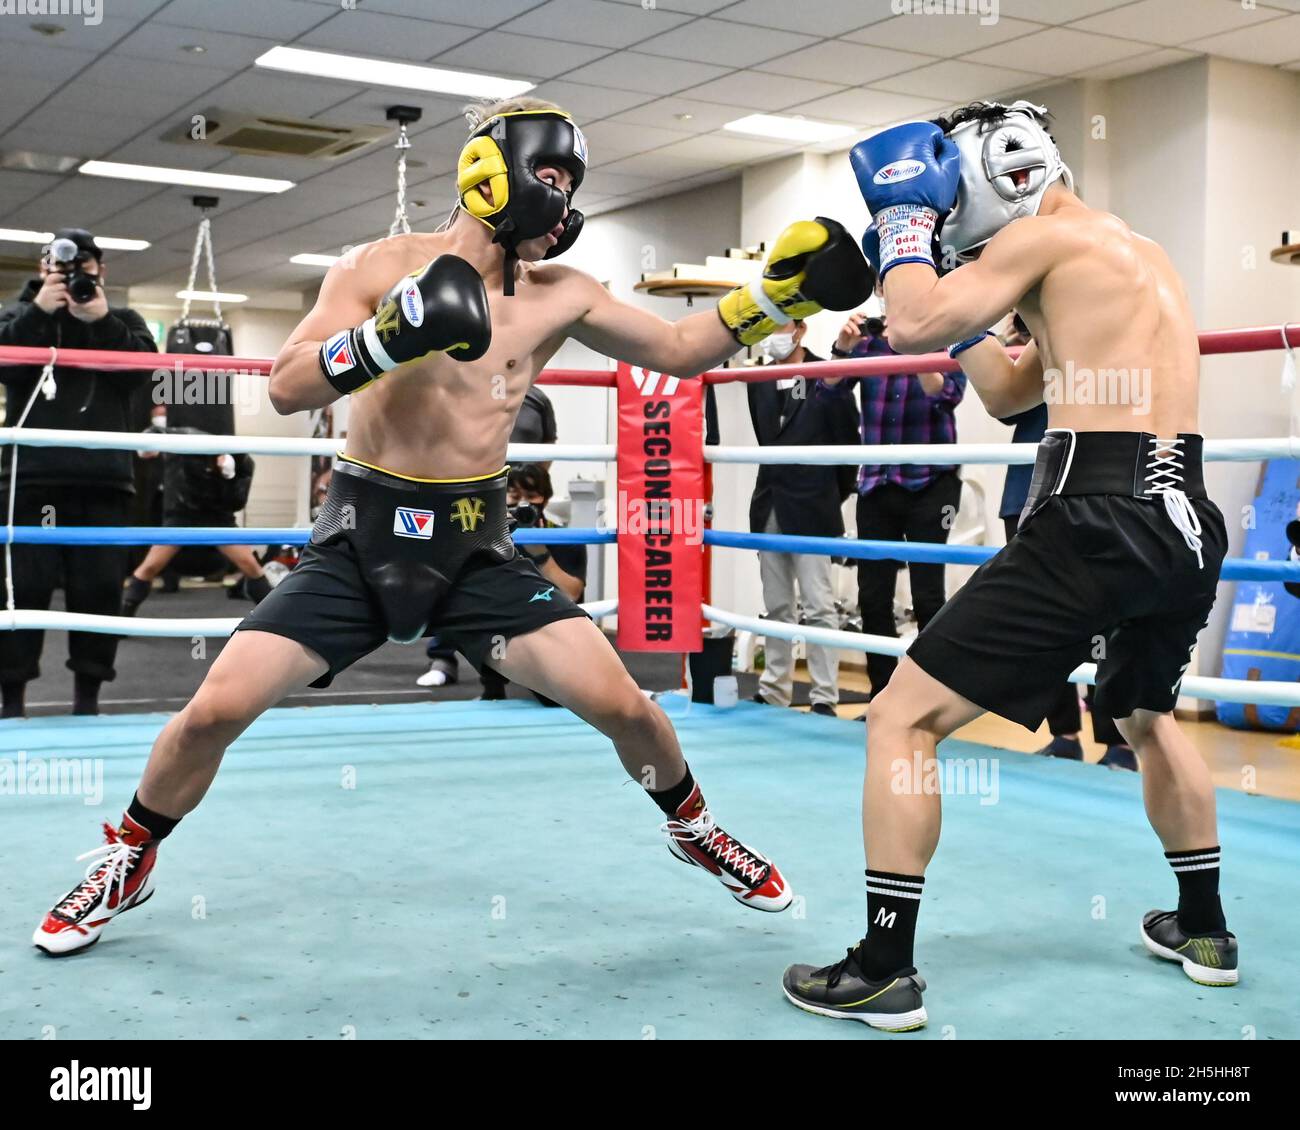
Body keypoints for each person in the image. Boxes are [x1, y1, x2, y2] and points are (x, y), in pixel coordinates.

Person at [34, 97, 872, 955]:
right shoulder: (375, 267)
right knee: (213, 712)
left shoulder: (562, 294)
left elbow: (682, 348)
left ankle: (693, 827)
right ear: (492, 175)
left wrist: (776, 295)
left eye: (572, 186)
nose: (565, 205)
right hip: (356, 547)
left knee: (628, 707)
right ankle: (129, 860)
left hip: (474, 547)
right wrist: (382, 339)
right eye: (550, 177)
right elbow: (286, 386)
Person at [784, 100, 1233, 1031]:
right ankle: (1205, 931)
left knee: (902, 720)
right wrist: (957, 303)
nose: (949, 217)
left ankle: (883, 967)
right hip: (1185, 519)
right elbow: (1007, 387)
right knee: (1144, 715)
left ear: (1005, 171)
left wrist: (903, 230)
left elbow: (906, 324)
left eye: (954, 195)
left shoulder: (1045, 245)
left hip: (1096, 515)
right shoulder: (1128, 253)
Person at [0, 229, 157, 717]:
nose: (73, 279)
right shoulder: (17, 316)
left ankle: (87, 702)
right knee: (22, 592)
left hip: (103, 481)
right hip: (31, 482)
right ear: (42, 270)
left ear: (100, 271)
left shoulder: (124, 320)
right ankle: (12, 702)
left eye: (83, 270)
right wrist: (39, 312)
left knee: (98, 594)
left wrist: (102, 320)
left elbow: (145, 374)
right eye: (60, 269)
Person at [824, 306, 965, 699]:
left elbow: (947, 395)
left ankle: (930, 699)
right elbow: (828, 391)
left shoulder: (947, 332)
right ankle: (882, 696)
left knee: (928, 596)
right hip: (876, 482)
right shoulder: (867, 342)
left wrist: (912, 346)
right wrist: (842, 347)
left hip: (931, 482)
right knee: (872, 596)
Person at [746, 320, 857, 715]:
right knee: (776, 604)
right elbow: (765, 439)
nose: (772, 334)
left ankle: (824, 696)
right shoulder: (756, 379)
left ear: (800, 329)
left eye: (779, 325)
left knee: (819, 606)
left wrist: (832, 497)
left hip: (813, 505)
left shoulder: (826, 375)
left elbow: (849, 442)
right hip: (769, 502)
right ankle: (774, 688)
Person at [417, 384, 557, 689]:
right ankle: (443, 657)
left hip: (514, 493)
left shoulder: (537, 398)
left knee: (512, 567)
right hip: (468, 492)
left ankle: (526, 661)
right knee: (452, 569)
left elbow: (549, 442)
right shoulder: (462, 387)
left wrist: (529, 482)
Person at [121, 410, 274, 614]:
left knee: (250, 565)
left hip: (218, 518)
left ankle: (274, 617)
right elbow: (160, 431)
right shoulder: (192, 442)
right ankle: (122, 616)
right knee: (149, 567)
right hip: (182, 515)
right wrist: (149, 442)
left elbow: (237, 503)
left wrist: (228, 477)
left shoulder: (243, 463)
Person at [478, 462, 586, 705]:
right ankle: (491, 688)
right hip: (503, 623)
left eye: (531, 495)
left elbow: (570, 593)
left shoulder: (565, 537)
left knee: (553, 701)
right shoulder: (486, 536)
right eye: (514, 495)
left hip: (550, 624)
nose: (523, 504)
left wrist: (538, 550)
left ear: (545, 499)